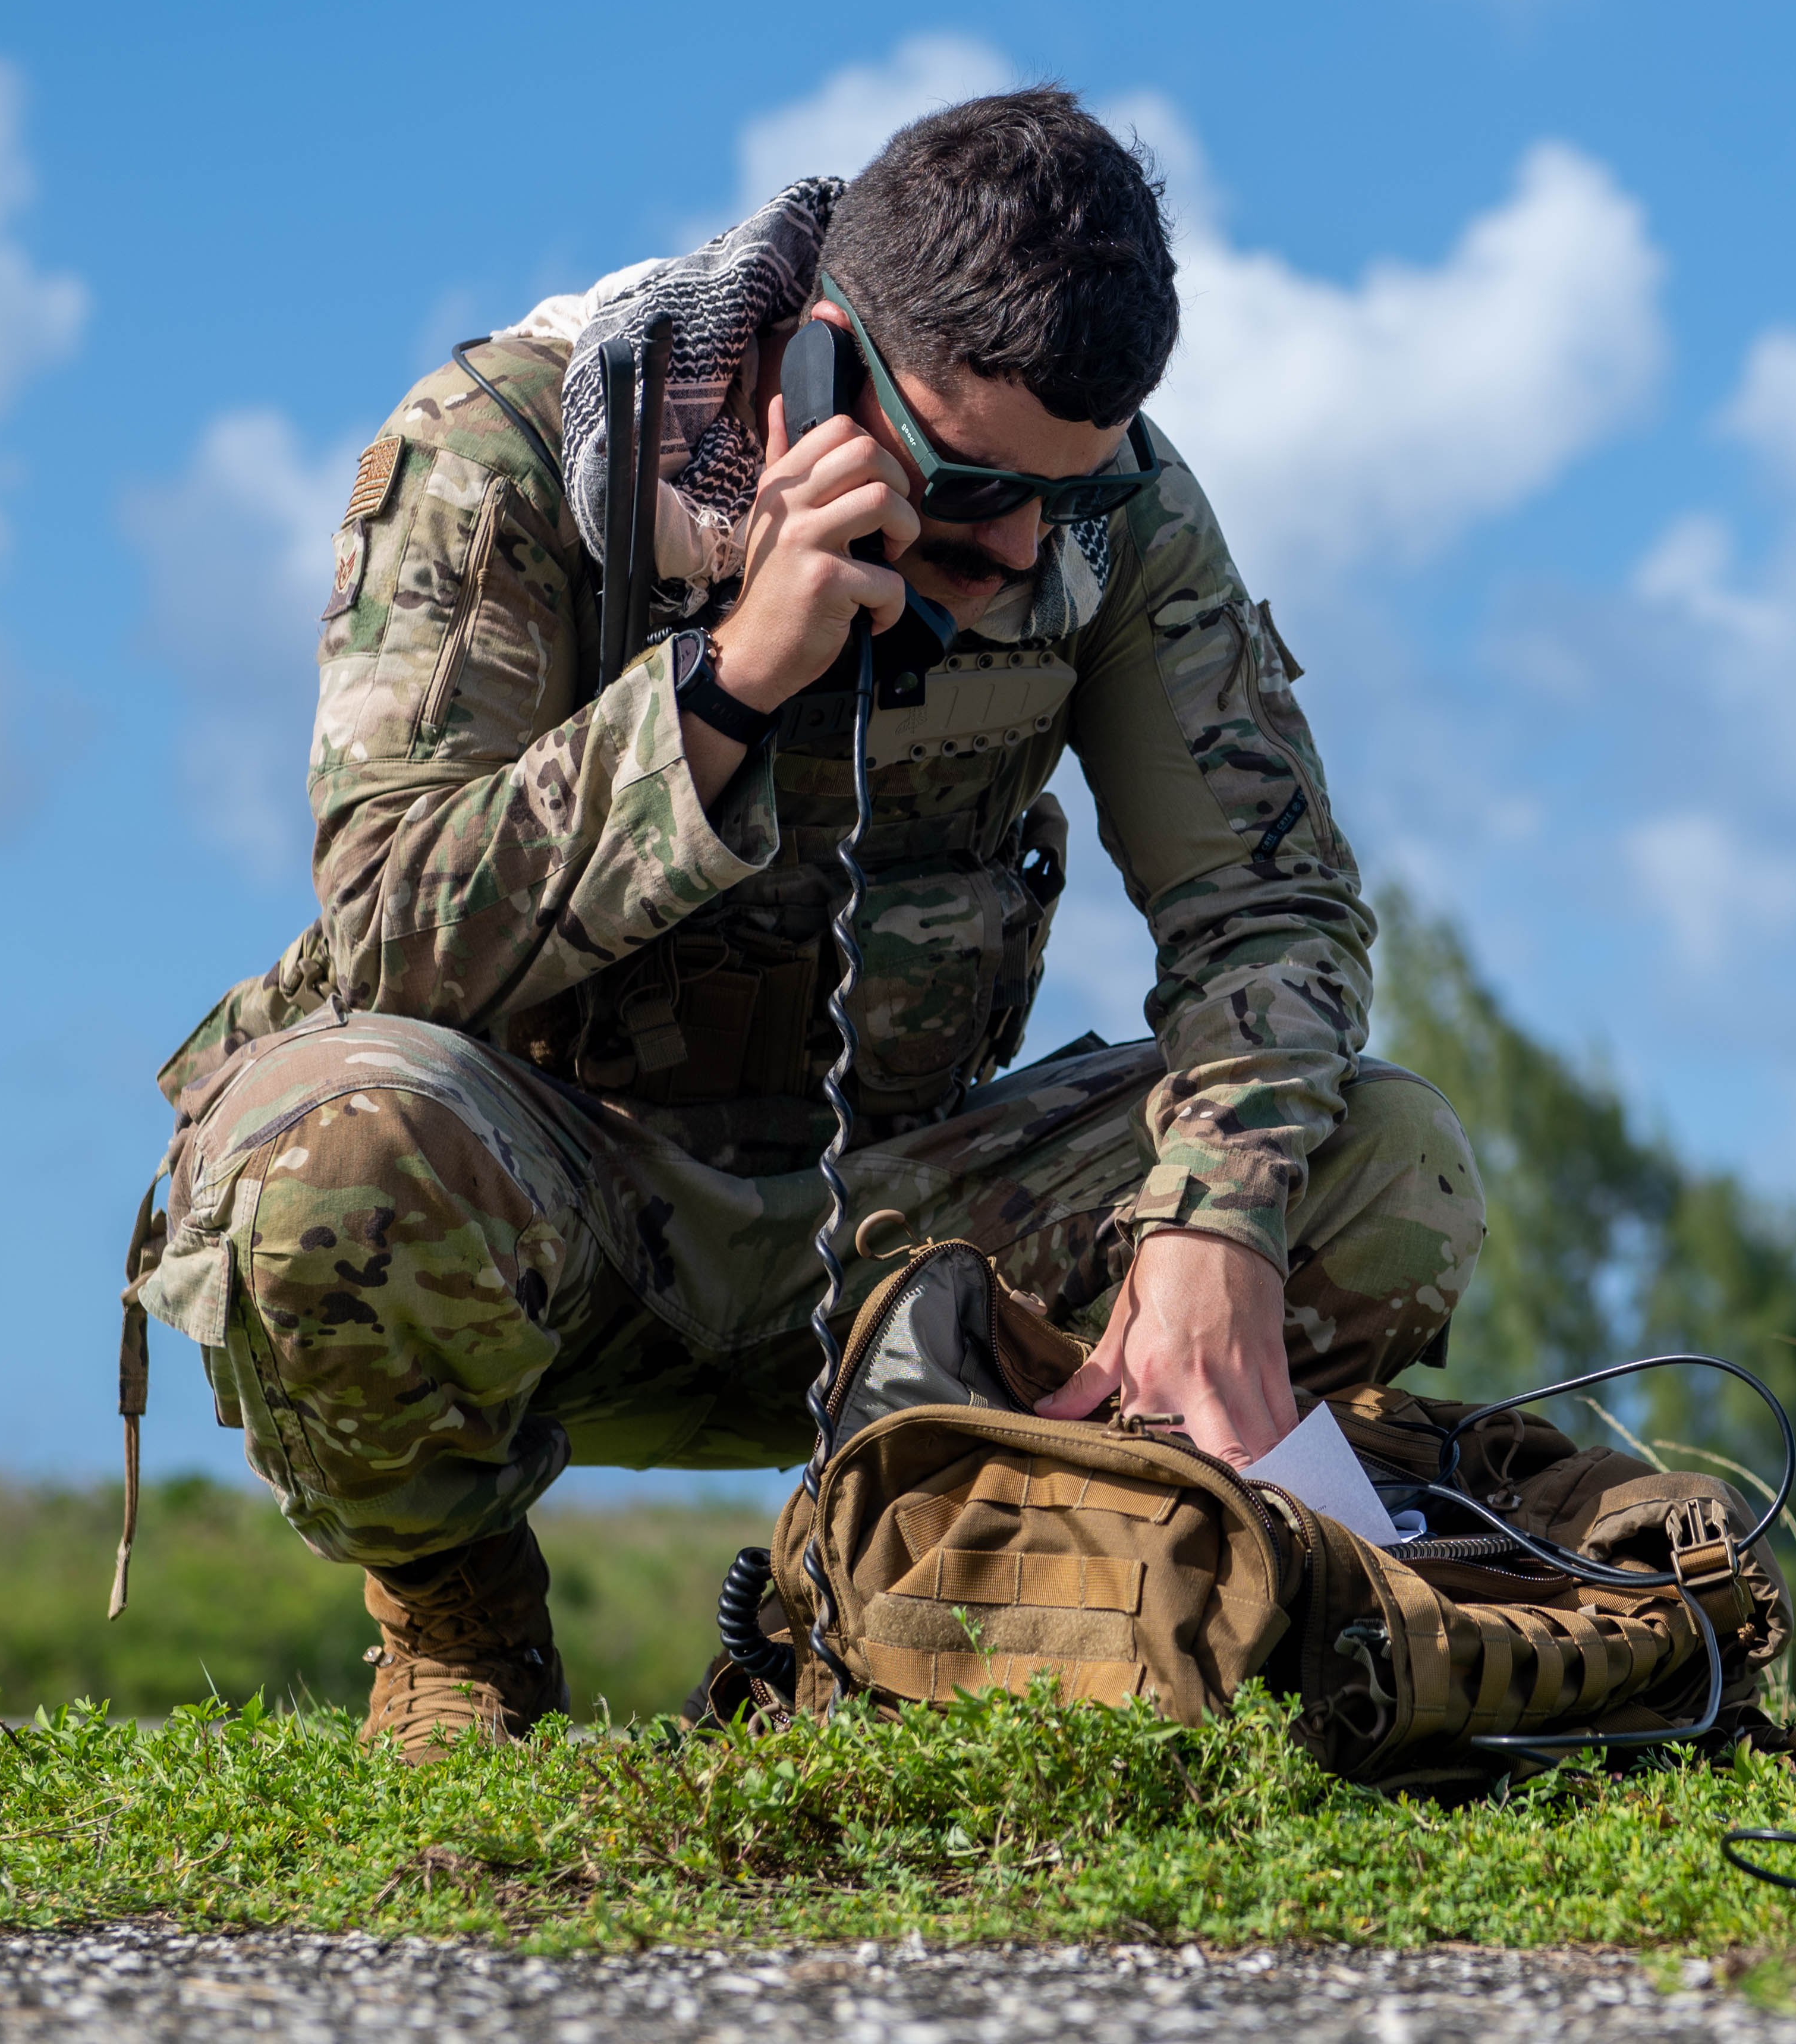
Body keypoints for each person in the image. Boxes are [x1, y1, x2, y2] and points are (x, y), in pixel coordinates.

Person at [122, 89, 1486, 1762]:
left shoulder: (1108, 508)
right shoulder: (513, 449)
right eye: (974, 482)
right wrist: (726, 684)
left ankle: (951, 1637)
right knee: (317, 1152)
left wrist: (1214, 1224)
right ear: (826, 367)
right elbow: (396, 931)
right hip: (562, 1212)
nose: (1015, 547)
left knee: (1379, 1165)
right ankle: (459, 1622)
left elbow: (1267, 907)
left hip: (923, 1245)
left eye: (1066, 495)